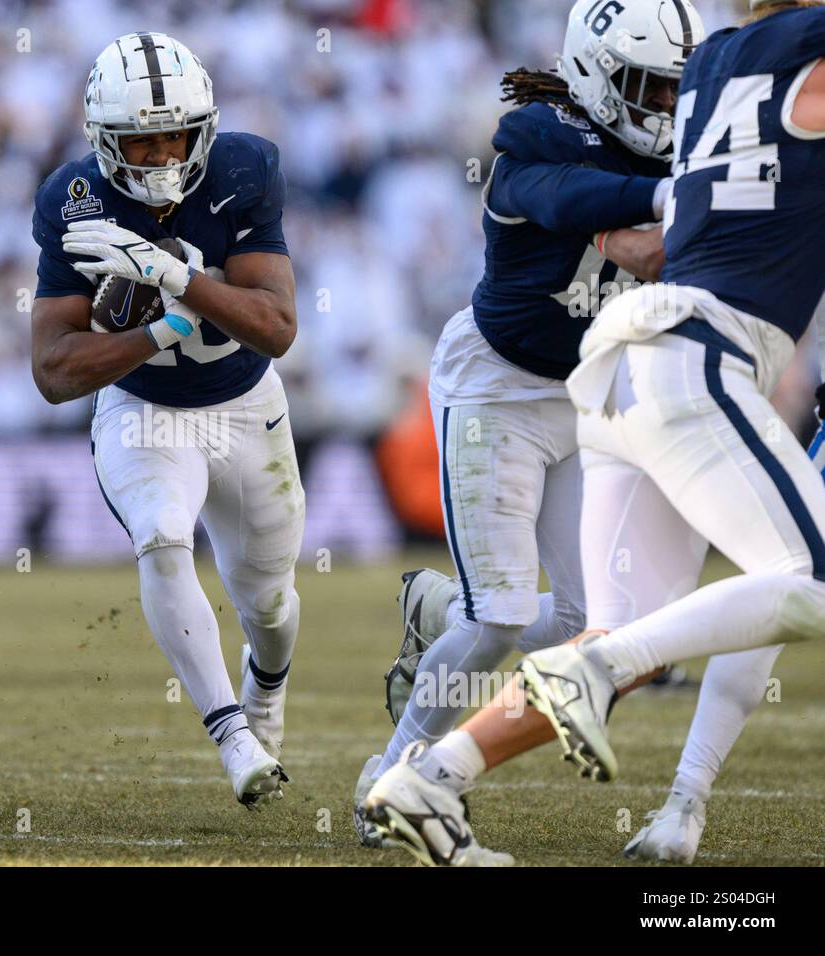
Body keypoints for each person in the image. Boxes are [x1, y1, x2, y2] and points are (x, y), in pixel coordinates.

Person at [363, 0, 825, 866]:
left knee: (605, 625)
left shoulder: (719, 71)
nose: (661, 102)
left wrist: (681, 206)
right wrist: (673, 197)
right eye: (646, 85)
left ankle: (432, 779)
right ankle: (424, 744)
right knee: (802, 577)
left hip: (610, 378)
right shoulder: (547, 133)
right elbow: (570, 197)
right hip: (551, 374)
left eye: (669, 86)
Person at [30, 32, 305, 808]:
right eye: (139, 141)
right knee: (160, 533)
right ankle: (232, 738)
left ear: (202, 131)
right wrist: (157, 328)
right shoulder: (71, 200)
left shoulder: (246, 168)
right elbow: (52, 371)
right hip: (144, 410)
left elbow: (278, 327)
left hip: (248, 408)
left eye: (172, 136)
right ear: (103, 142)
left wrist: (175, 276)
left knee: (272, 607)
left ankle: (265, 691)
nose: (158, 156)